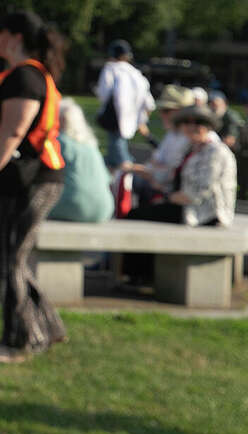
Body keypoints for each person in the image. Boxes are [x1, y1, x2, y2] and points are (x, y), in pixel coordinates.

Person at [0, 11, 69, 363]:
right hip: (26, 178)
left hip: (33, 179)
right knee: (11, 257)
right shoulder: (25, 75)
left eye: (0, 33)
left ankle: (19, 341)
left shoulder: (25, 77)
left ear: (14, 37)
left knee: (10, 258)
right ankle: (48, 327)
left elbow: (13, 131)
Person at [120, 106, 238, 286]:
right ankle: (143, 273)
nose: (192, 127)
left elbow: (197, 193)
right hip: (186, 206)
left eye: (198, 123)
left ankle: (139, 275)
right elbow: (171, 177)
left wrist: (167, 197)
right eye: (187, 123)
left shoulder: (216, 152)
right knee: (139, 211)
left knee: (137, 216)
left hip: (205, 214)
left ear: (208, 127)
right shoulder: (192, 149)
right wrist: (148, 175)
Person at [48, 98, 114, 223]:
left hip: (72, 205)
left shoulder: (60, 142)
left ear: (60, 119)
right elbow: (107, 178)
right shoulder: (91, 145)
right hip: (103, 209)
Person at [94, 39, 152, 169]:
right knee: (116, 145)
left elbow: (104, 93)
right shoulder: (135, 72)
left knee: (118, 149)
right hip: (132, 114)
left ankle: (129, 173)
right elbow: (149, 102)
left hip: (115, 114)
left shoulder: (110, 68)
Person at [129, 85, 196, 198]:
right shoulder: (172, 134)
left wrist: (147, 171)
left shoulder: (190, 139)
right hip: (159, 190)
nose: (161, 114)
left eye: (166, 110)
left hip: (174, 197)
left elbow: (171, 173)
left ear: (181, 112)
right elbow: (156, 161)